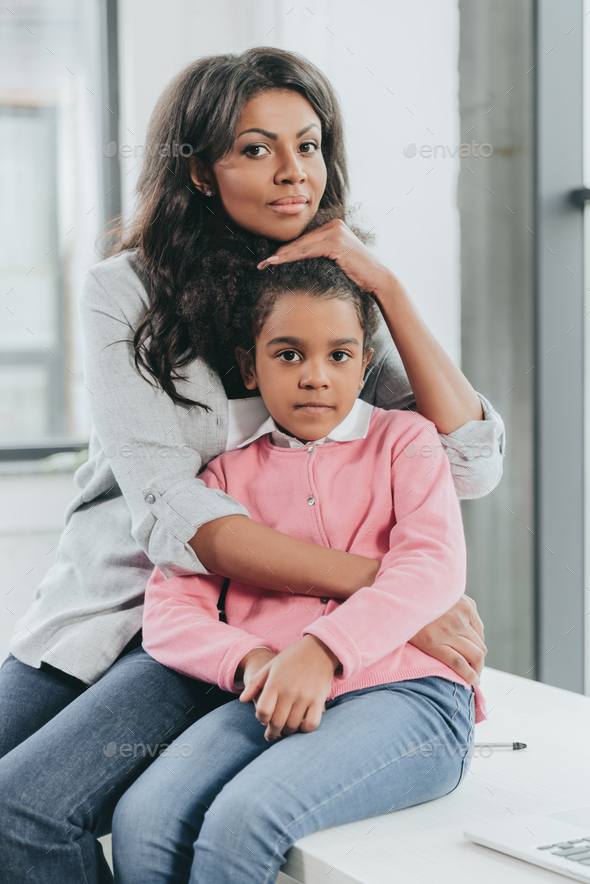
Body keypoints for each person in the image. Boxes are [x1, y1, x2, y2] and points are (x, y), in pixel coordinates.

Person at [0, 47, 502, 883]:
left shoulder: (323, 296)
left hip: (236, 628)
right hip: (125, 603)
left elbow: (467, 464)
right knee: (19, 810)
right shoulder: (125, 290)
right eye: (256, 148)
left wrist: (388, 290)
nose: (292, 173)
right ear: (197, 170)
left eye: (308, 146)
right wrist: (389, 591)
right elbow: (173, 512)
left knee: (24, 810)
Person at [111, 255, 483, 884]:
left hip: (408, 695)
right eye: (288, 355)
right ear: (250, 365)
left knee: (242, 823)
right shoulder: (225, 476)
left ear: (365, 364)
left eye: (338, 356)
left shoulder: (407, 441)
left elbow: (432, 566)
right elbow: (170, 613)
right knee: (142, 818)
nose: (315, 377)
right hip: (268, 695)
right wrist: (254, 661)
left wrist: (323, 650)